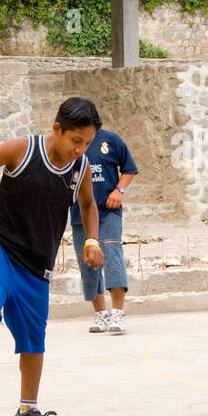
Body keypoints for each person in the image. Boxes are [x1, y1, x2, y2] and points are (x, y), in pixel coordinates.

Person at [0, 97, 104, 416]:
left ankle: (27, 411)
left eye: (87, 143)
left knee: (34, 340)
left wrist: (92, 240)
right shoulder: (22, 150)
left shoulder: (79, 169)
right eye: (75, 141)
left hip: (37, 262)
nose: (80, 149)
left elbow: (89, 204)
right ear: (56, 129)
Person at [70, 127, 138, 334]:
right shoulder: (69, 142)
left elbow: (129, 168)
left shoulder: (111, 139)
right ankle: (101, 314)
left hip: (108, 211)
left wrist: (119, 190)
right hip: (79, 213)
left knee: (112, 257)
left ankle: (118, 312)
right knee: (88, 263)